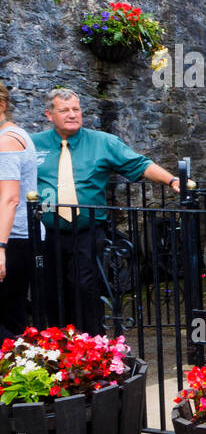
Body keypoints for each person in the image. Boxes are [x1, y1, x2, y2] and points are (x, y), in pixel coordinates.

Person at [31, 88, 181, 335]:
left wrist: (172, 180)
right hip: (46, 233)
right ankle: (57, 348)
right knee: (49, 291)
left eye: (76, 109)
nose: (72, 115)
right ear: (49, 114)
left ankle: (91, 345)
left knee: (85, 289)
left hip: (86, 231)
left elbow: (139, 164)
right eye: (64, 110)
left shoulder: (102, 142)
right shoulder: (32, 144)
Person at [0, 83, 38, 340]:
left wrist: (0, 247)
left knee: (8, 321)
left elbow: (10, 198)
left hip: (12, 239)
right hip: (12, 238)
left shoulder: (7, 141)